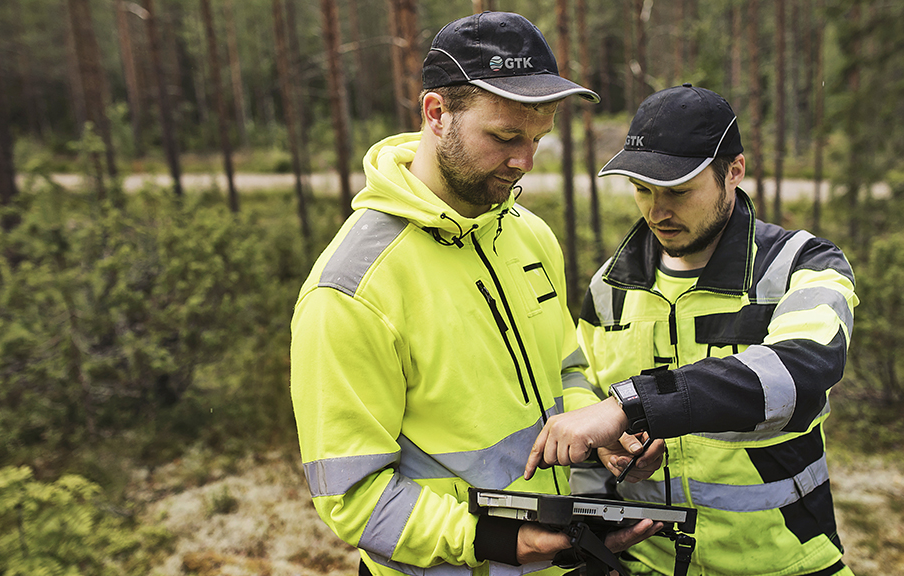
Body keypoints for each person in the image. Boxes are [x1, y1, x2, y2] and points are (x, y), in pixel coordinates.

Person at [290, 11, 661, 576]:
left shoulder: (529, 233)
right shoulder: (350, 290)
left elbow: (566, 370)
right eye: (505, 137)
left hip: (562, 560)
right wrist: (496, 542)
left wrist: (600, 438)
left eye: (538, 139)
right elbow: (351, 495)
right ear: (437, 114)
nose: (524, 163)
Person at [525, 84, 859, 576]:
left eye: (679, 191)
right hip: (644, 563)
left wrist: (630, 406)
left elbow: (804, 367)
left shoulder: (803, 264)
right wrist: (608, 454)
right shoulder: (610, 285)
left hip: (787, 561)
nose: (658, 211)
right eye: (642, 189)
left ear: (734, 171)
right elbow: (584, 390)